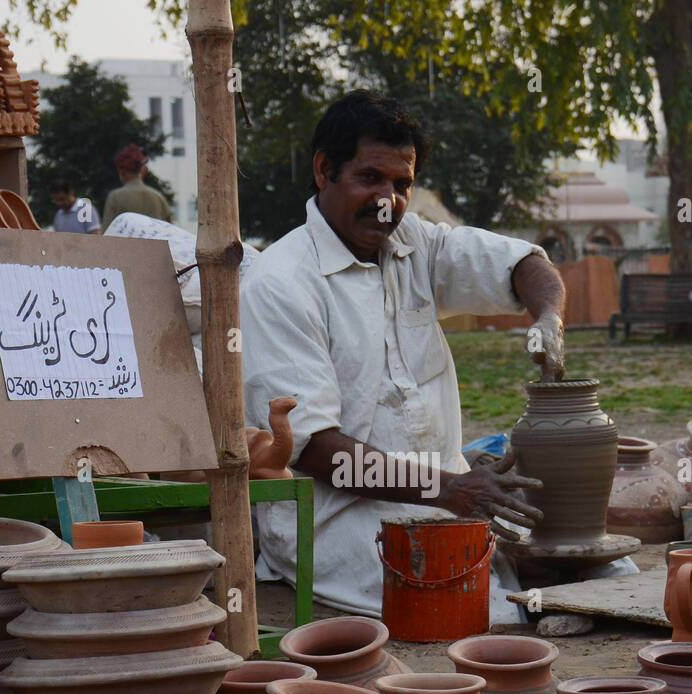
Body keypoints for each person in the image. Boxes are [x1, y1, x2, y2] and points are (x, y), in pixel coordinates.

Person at [240, 91, 567, 618]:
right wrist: (450, 491)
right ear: (325, 171)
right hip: (338, 520)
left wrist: (548, 318)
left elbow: (521, 263)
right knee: (500, 613)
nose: (388, 199)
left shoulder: (413, 243)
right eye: (370, 178)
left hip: (448, 498)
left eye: (402, 184)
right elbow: (320, 452)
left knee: (595, 572)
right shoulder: (280, 283)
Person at [103, 145, 174, 226]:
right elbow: (170, 231)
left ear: (121, 172)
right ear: (144, 170)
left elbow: (107, 233)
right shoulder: (158, 198)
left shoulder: (115, 197)